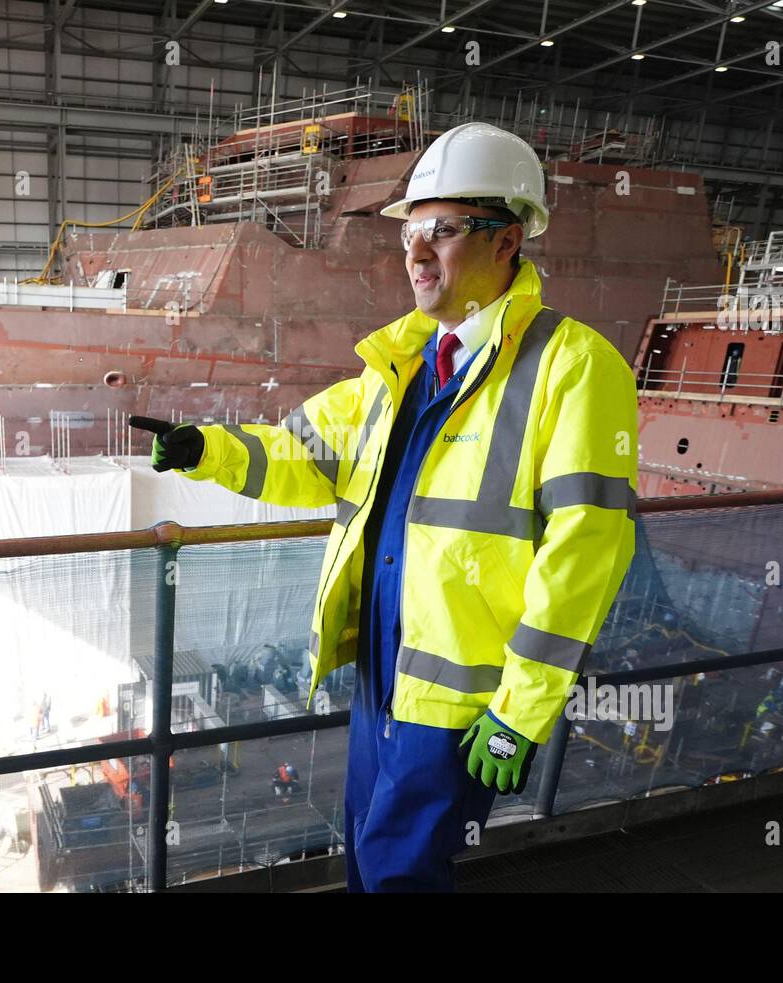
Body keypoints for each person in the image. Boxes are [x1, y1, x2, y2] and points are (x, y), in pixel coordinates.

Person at [130, 121, 638, 892]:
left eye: (442, 229)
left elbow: (587, 555)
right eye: (409, 231)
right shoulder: (397, 368)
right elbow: (301, 454)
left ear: (508, 240)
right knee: (370, 853)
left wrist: (521, 713)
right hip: (379, 676)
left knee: (401, 870)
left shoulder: (574, 368)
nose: (417, 251)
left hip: (464, 701)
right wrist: (208, 449)